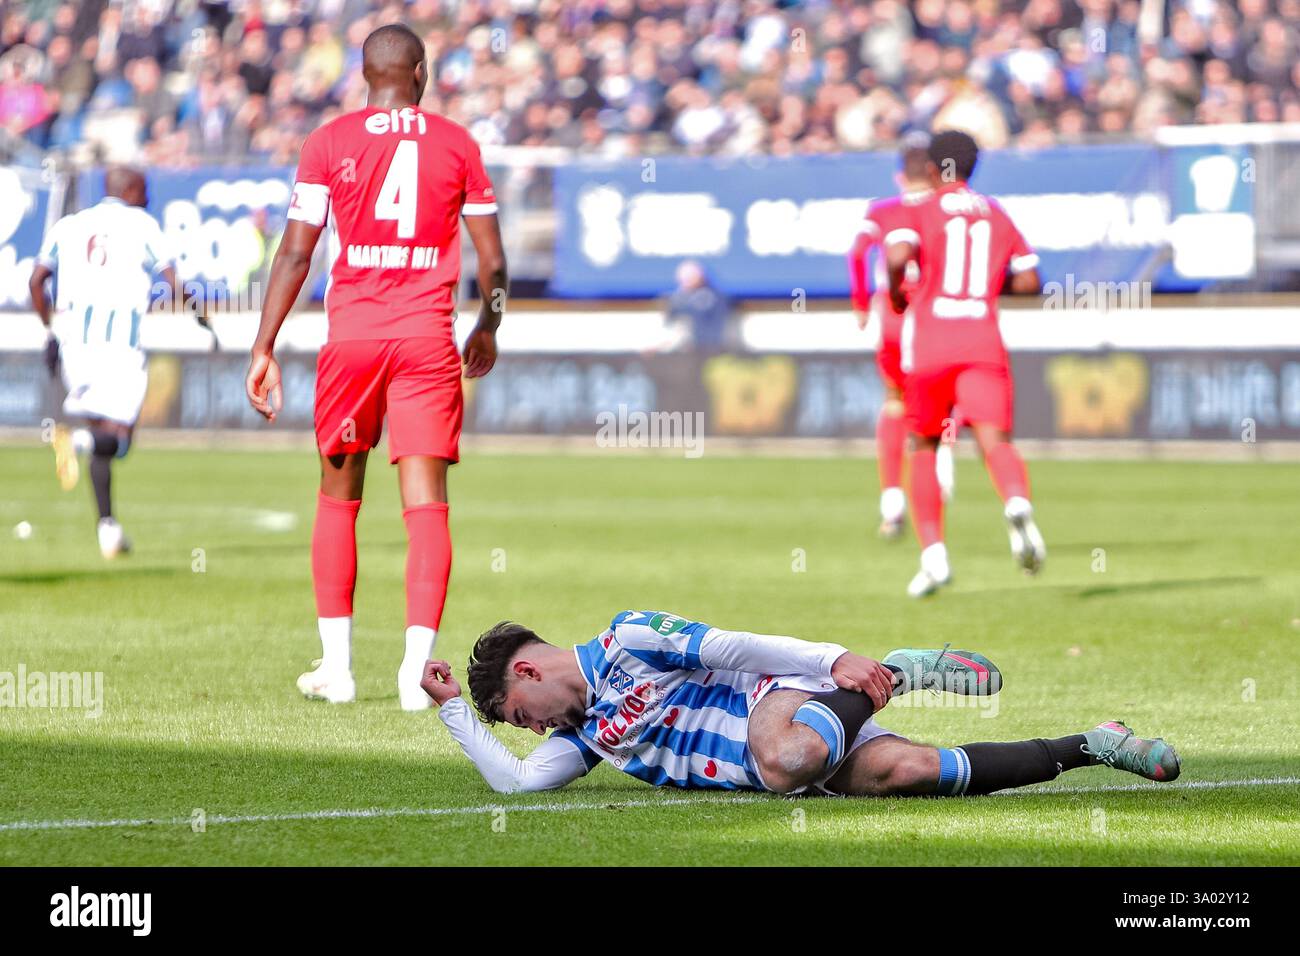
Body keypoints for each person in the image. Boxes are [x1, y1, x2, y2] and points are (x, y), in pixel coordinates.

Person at [244, 24, 509, 710]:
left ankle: (338, 669)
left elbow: (296, 254)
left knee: (338, 497)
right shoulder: (458, 144)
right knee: (426, 506)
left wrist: (263, 344)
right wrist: (490, 322)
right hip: (425, 341)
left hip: (353, 340)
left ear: (365, 74)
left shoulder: (328, 141)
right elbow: (496, 264)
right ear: (420, 71)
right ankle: (415, 676)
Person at [419, 610, 1180, 796]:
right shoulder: (590, 738)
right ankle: (1095, 744)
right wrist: (456, 710)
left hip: (780, 709)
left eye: (524, 716)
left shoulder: (629, 638)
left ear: (526, 670)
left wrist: (833, 662)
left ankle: (895, 670)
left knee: (784, 761)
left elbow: (734, 647)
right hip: (797, 747)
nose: (538, 730)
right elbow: (517, 783)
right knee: (911, 770)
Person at [885, 130, 1046, 598]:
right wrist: (987, 286)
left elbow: (897, 254)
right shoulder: (995, 211)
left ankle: (934, 555)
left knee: (924, 445)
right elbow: (1031, 279)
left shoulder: (920, 207)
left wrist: (898, 291)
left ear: (933, 169)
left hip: (933, 343)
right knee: (995, 439)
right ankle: (1016, 501)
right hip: (982, 339)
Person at [30, 166, 185, 559]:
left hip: (74, 346)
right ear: (130, 190)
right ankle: (75, 441)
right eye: (145, 190)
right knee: (121, 441)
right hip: (120, 348)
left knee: (105, 441)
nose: (148, 198)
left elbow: (36, 281)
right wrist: (199, 314)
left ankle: (108, 531)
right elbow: (172, 279)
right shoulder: (143, 224)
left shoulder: (69, 225)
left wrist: (49, 330)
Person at [847, 132, 955, 539]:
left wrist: (860, 303)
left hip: (892, 317)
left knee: (894, 404)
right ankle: (940, 472)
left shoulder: (882, 209)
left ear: (899, 176)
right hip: (932, 317)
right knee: (943, 398)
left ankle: (891, 501)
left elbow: (856, 252)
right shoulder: (944, 209)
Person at [664, 259, 733, 353]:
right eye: (684, 278)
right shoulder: (677, 299)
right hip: (683, 350)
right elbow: (670, 323)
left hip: (709, 347)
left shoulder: (715, 297)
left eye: (689, 277)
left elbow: (720, 324)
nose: (686, 281)